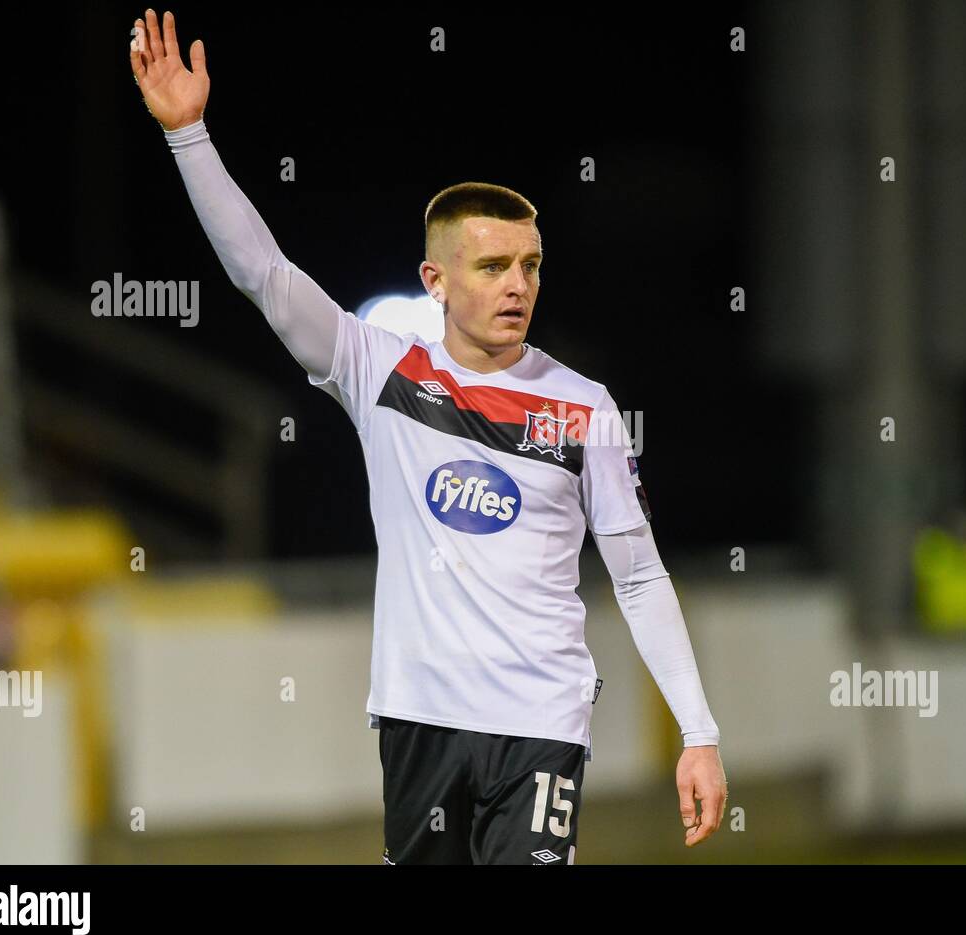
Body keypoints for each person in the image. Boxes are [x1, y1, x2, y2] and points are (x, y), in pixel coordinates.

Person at [130, 8, 726, 864]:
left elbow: (638, 576)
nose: (517, 285)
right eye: (492, 267)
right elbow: (261, 274)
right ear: (435, 281)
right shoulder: (380, 368)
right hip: (418, 717)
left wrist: (698, 732)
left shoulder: (582, 405)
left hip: (542, 723)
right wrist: (188, 135)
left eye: (530, 266)